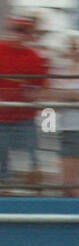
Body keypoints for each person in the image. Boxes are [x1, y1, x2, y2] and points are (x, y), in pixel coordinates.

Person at [0, 16, 48, 191]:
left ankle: (35, 185)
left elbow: (38, 88)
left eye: (22, 31)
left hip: (24, 115)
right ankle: (4, 186)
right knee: (1, 151)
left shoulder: (35, 57)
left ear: (29, 34)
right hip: (2, 115)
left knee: (33, 152)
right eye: (15, 29)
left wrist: (31, 94)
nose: (17, 34)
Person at [52, 36, 79, 197]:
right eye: (72, 48)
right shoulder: (60, 72)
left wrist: (74, 96)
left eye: (77, 48)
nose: (75, 51)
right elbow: (54, 99)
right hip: (65, 125)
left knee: (78, 167)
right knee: (65, 168)